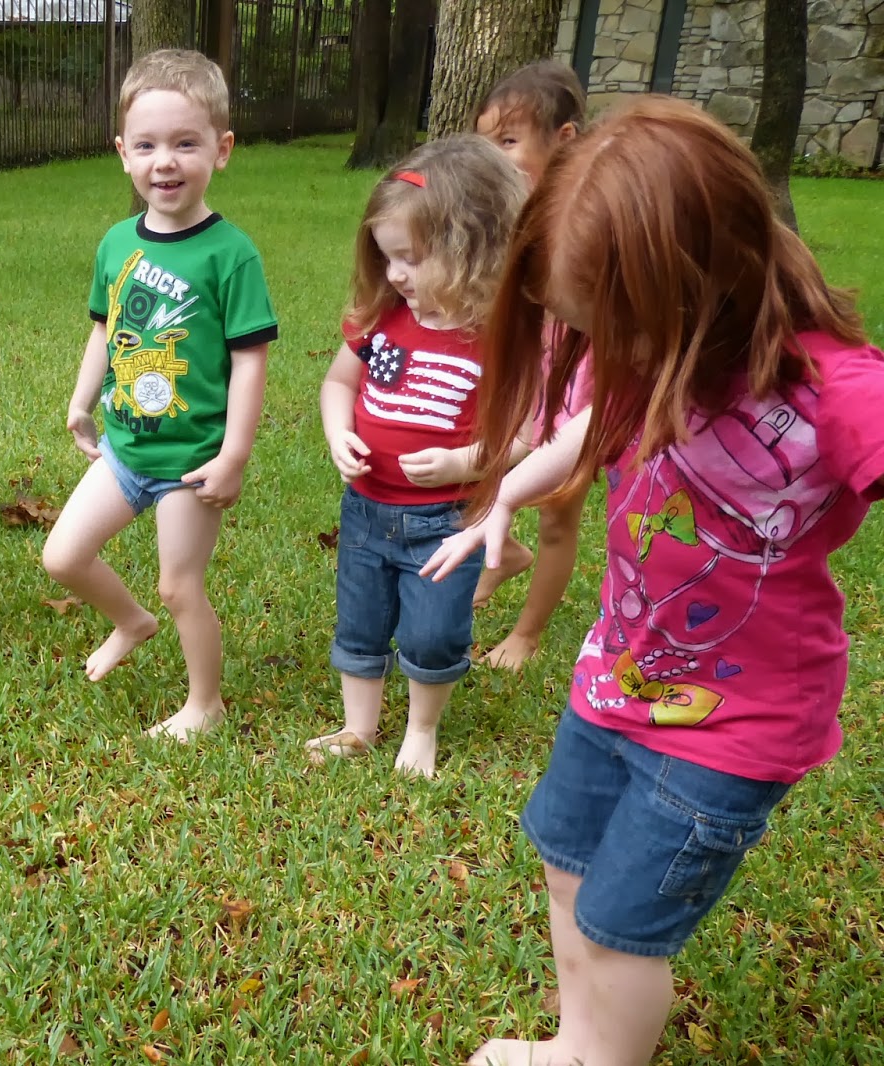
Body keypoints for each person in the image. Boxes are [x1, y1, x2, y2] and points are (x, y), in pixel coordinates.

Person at [422, 97, 884, 1066]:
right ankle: (575, 1042)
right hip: (615, 681)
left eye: (610, 330)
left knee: (622, 924)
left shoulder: (835, 391)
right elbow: (576, 433)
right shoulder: (639, 349)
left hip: (736, 725)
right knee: (565, 864)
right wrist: (504, 495)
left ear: (696, 287)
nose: (602, 356)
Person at [41, 48, 278, 741]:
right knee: (62, 557)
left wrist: (234, 455)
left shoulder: (230, 255)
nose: (164, 162)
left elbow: (250, 364)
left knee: (181, 586)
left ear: (222, 150)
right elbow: (103, 332)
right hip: (125, 449)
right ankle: (130, 621)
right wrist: (82, 401)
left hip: (191, 461)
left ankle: (205, 704)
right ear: (122, 153)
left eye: (185, 143)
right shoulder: (118, 242)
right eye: (146, 145)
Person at [311, 136, 528, 776]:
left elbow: (525, 432)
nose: (395, 274)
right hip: (367, 509)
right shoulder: (382, 317)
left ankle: (422, 729)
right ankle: (359, 727)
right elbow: (337, 384)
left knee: (433, 633)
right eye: (386, 258)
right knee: (360, 622)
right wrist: (336, 433)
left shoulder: (495, 339)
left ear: (475, 250)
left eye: (410, 258)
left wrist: (466, 463)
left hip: (446, 521)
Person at [469, 59, 591, 668]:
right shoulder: (502, 207)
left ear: (564, 140)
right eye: (487, 141)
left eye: (509, 141)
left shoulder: (590, 213)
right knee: (487, 473)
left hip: (584, 382)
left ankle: (527, 633)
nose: (495, 156)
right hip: (523, 375)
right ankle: (503, 555)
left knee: (557, 515)